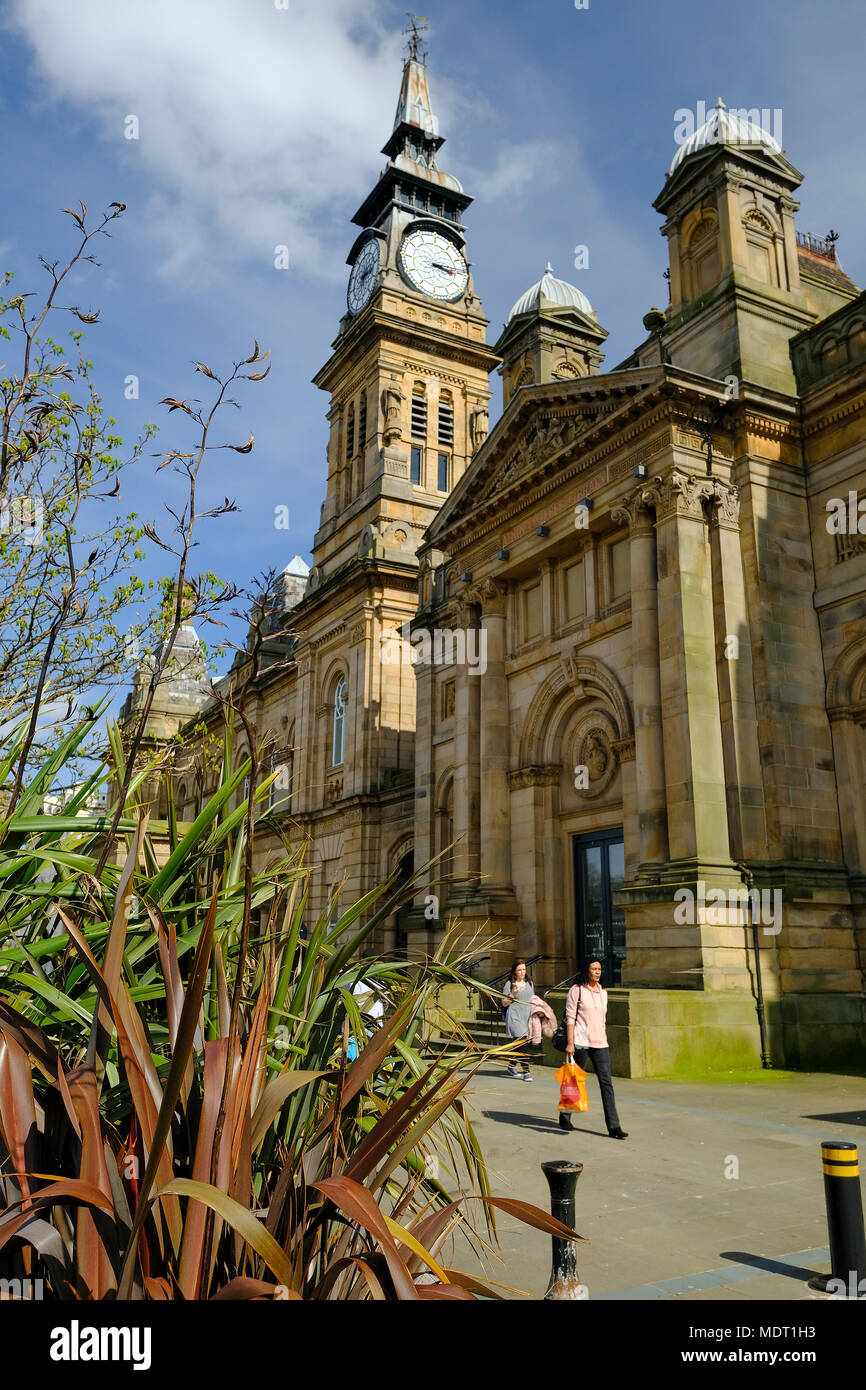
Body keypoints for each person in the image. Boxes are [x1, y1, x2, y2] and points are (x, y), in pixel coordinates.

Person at [561, 959, 628, 1139]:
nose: (597, 972)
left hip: (601, 1043)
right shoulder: (577, 990)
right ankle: (565, 1115)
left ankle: (614, 1127)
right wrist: (570, 1042)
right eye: (593, 969)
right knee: (574, 1081)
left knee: (607, 1084)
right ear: (587, 970)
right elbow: (570, 1018)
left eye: (599, 969)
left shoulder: (603, 992)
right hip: (581, 1042)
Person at [502, 960, 535, 1080]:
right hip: (515, 1017)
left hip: (527, 1017)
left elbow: (533, 1000)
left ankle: (511, 1066)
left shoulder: (529, 983)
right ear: (514, 972)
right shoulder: (509, 984)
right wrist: (512, 994)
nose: (522, 972)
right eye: (519, 970)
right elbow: (504, 1003)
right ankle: (527, 1072)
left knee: (518, 1045)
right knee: (523, 1043)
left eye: (524, 969)